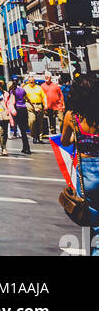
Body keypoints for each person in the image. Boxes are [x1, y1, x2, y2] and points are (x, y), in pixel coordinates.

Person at [59, 72, 99, 256]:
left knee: (90, 221)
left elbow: (65, 142)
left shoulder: (71, 117)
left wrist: (78, 136)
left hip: (86, 174)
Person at [11, 79, 31, 154]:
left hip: (18, 109)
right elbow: (28, 99)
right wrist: (33, 106)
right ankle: (25, 147)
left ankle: (27, 147)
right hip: (24, 109)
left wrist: (12, 109)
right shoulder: (22, 90)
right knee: (24, 130)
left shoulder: (13, 90)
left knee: (21, 129)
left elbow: (13, 101)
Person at [24, 74, 46, 143]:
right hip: (30, 105)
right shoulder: (25, 88)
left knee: (40, 122)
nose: (31, 82)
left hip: (39, 105)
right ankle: (34, 136)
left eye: (32, 81)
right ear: (28, 81)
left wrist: (45, 105)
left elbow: (44, 97)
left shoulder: (39, 88)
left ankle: (39, 137)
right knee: (32, 121)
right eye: (30, 81)